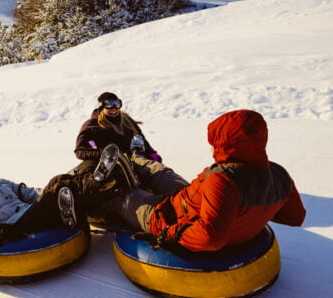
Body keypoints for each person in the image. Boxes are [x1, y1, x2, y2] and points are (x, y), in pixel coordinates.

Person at [128, 109, 306, 252]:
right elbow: (294, 216)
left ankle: (132, 162)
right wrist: (250, 213)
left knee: (127, 196)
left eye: (215, 142)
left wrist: (169, 233)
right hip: (188, 201)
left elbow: (210, 239)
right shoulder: (278, 173)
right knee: (162, 173)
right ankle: (137, 156)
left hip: (167, 218)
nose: (212, 148)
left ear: (225, 144)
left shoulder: (223, 179)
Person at [0, 152, 79, 250]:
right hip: (16, 225)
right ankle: (65, 213)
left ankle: (80, 188)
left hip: (29, 211)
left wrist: (47, 192)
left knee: (57, 180)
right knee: (57, 191)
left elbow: (28, 193)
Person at [73, 91, 184, 197]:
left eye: (117, 104)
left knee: (156, 170)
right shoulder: (92, 125)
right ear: (101, 107)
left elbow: (141, 139)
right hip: (114, 164)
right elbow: (80, 151)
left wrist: (152, 153)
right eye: (109, 105)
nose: (114, 108)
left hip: (136, 158)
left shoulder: (127, 121)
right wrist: (104, 154)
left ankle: (183, 193)